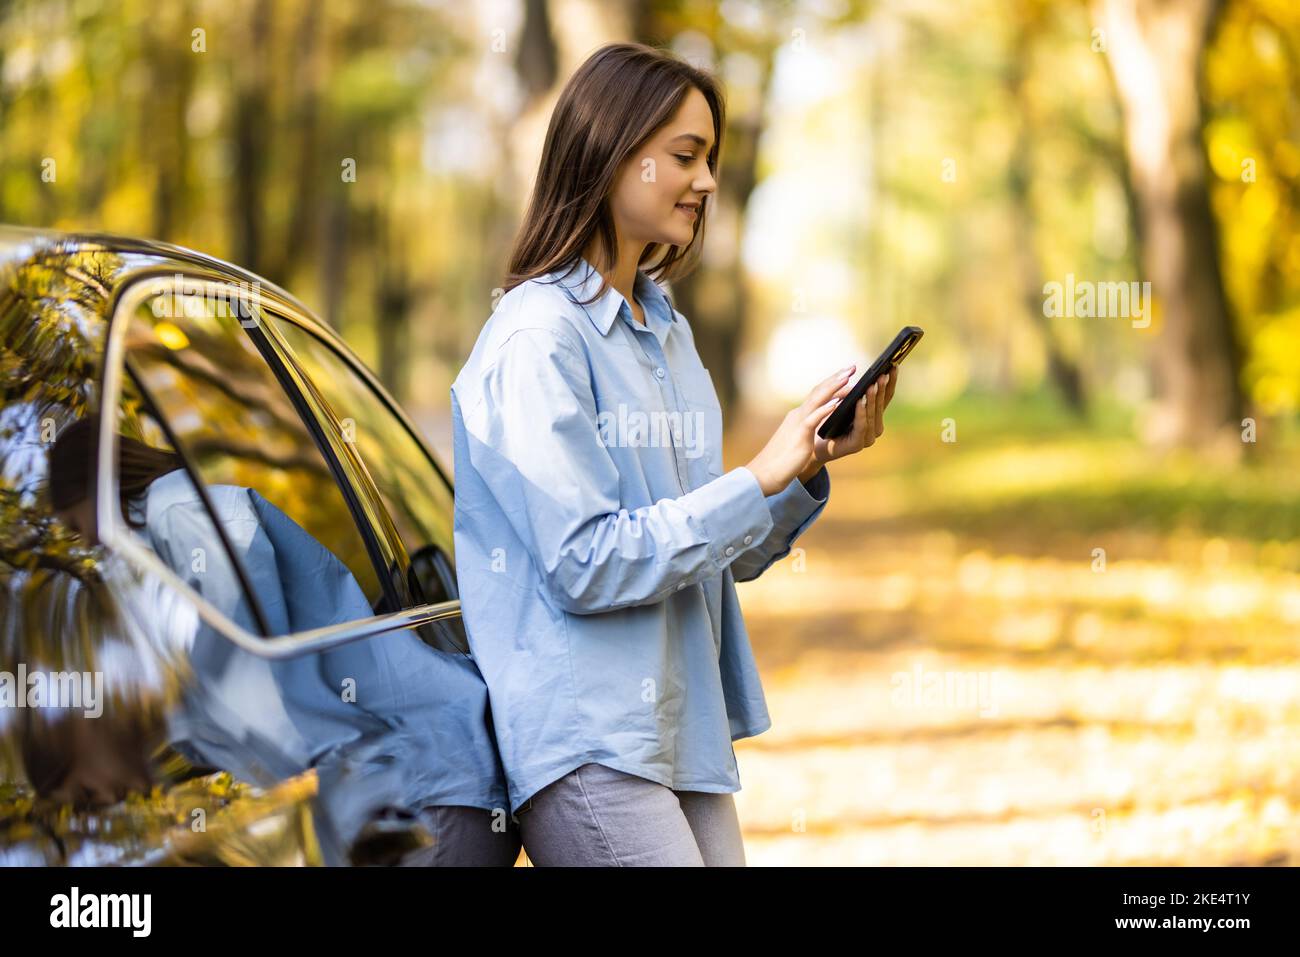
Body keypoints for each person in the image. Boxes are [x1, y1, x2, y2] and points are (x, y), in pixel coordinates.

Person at [450, 42, 898, 866]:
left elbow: (706, 550)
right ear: (611, 151)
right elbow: (586, 562)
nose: (708, 181)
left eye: (711, 159)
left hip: (679, 727)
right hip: (588, 737)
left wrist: (800, 471)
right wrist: (755, 474)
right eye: (685, 156)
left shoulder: (667, 333)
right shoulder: (536, 338)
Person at [44, 418, 521, 866]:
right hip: (415, 789)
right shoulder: (172, 532)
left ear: (89, 485)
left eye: (70, 522)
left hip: (420, 795)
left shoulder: (181, 511)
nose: (78, 539)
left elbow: (241, 667)